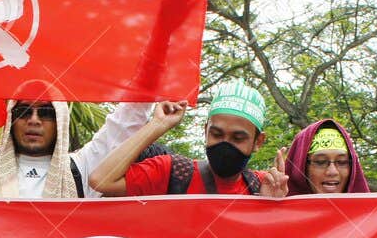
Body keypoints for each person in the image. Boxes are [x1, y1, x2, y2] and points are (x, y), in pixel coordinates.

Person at [0, 86, 152, 199]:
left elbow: (127, 120)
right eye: (23, 112)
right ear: (12, 118)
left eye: (46, 113)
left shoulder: (82, 169)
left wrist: (164, 36)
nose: (34, 120)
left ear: (60, 121)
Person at [89, 81, 289, 197]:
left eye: (238, 138)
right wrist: (157, 125)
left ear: (258, 142)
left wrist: (269, 208)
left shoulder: (265, 185)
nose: (225, 144)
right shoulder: (171, 173)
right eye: (217, 134)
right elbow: (101, 180)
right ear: (205, 131)